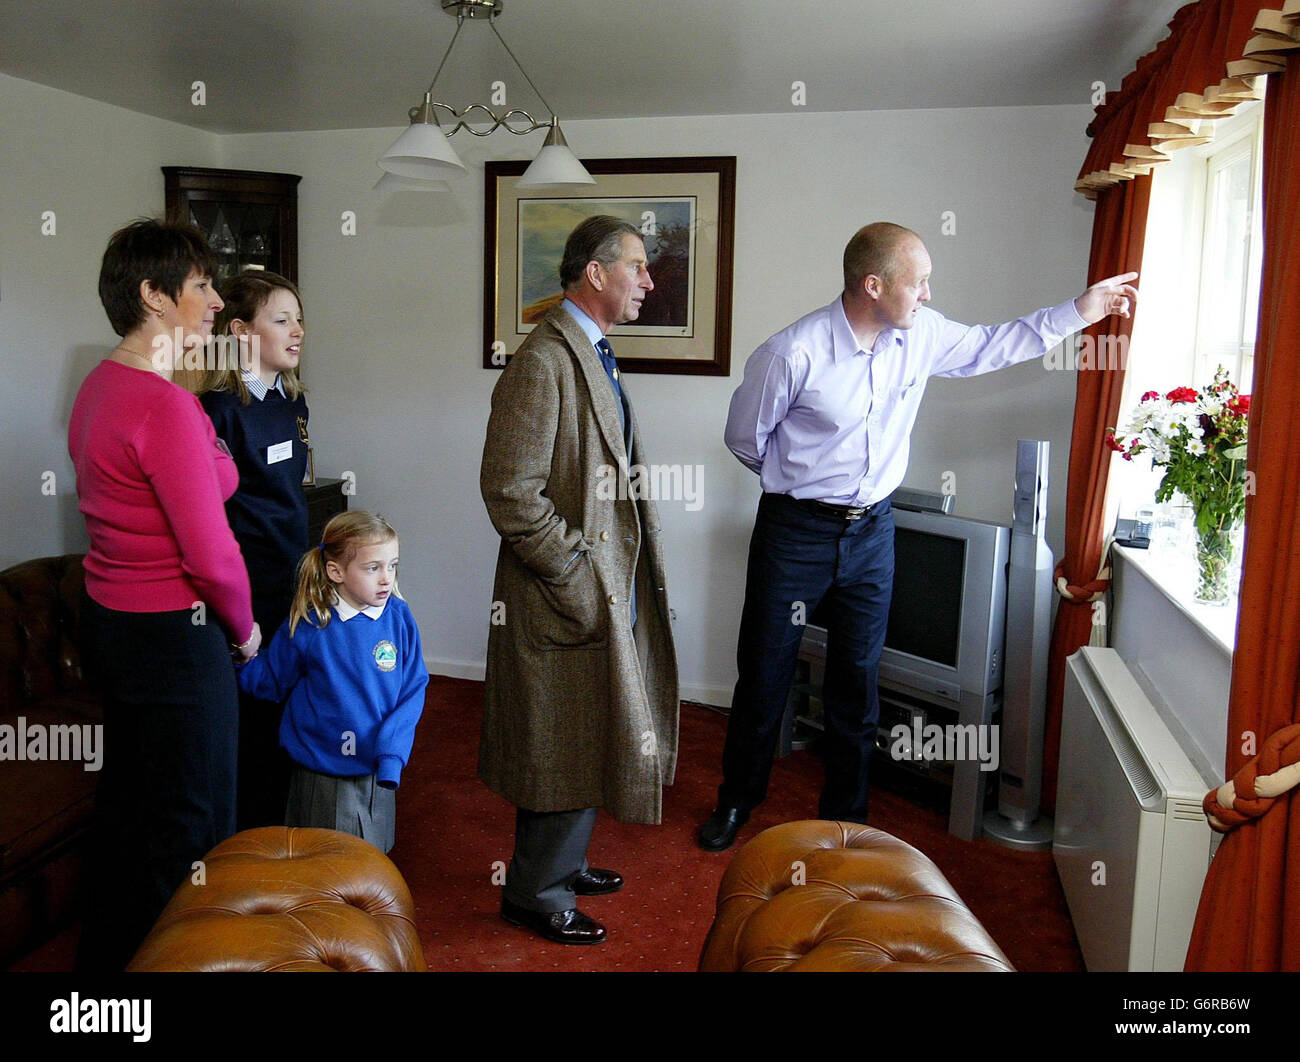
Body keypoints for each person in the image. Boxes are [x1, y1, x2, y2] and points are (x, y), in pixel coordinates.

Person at [698, 221, 1138, 852]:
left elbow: (994, 344)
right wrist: (804, 489)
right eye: (920, 282)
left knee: (857, 679)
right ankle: (737, 802)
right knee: (765, 676)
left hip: (874, 533)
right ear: (873, 286)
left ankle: (845, 818)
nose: (930, 294)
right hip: (794, 534)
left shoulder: (921, 335)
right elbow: (744, 438)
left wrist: (1080, 311)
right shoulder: (791, 353)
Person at [479, 215, 680, 945]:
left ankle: (565, 861)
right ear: (595, 273)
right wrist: (576, 575)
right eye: (636, 268)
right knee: (559, 736)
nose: (648, 282)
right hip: (559, 592)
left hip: (595, 585)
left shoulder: (590, 348)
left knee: (585, 725)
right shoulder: (543, 360)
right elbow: (509, 491)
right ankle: (534, 892)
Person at [69, 217, 261, 970]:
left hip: (111, 625)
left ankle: (108, 979)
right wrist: (244, 632)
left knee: (131, 813)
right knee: (192, 833)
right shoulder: (163, 405)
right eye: (202, 285)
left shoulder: (103, 384)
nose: (215, 301)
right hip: (175, 642)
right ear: (152, 294)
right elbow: (212, 556)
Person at [236, 511, 428, 854]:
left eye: (393, 565)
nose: (386, 578)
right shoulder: (311, 623)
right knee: (320, 862)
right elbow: (272, 682)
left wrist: (391, 753)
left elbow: (414, 687)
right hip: (320, 772)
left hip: (376, 769)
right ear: (336, 571)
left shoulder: (399, 617)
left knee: (372, 858)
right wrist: (244, 657)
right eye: (373, 568)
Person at [199, 271, 310, 829]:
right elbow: (209, 519)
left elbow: (292, 497)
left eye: (299, 319)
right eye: (282, 319)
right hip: (244, 592)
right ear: (241, 331)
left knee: (287, 712)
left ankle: (281, 832)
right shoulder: (217, 411)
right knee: (249, 723)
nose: (298, 331)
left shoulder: (292, 402)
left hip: (292, 580)